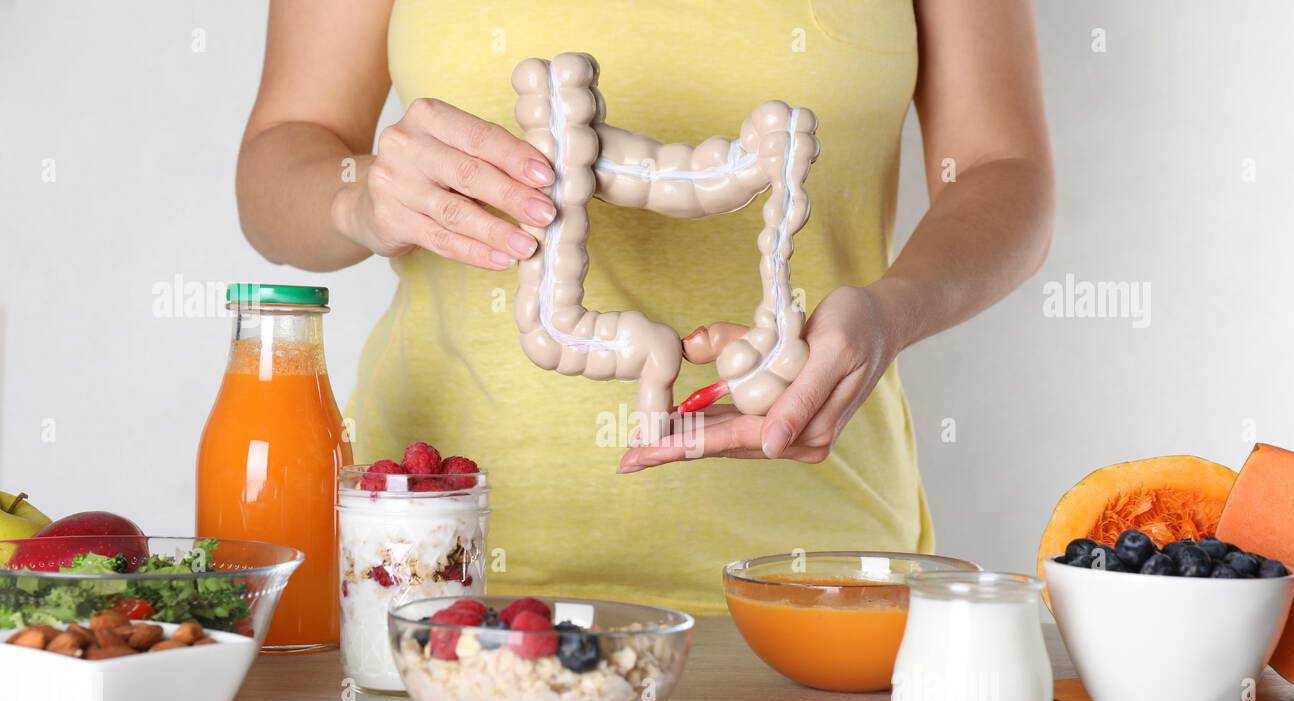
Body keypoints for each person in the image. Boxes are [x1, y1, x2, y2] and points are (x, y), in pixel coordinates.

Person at [236, 0, 1053, 614]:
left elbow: (1001, 166)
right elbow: (282, 156)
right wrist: (361, 200)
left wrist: (894, 313)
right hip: (431, 575)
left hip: (816, 585)